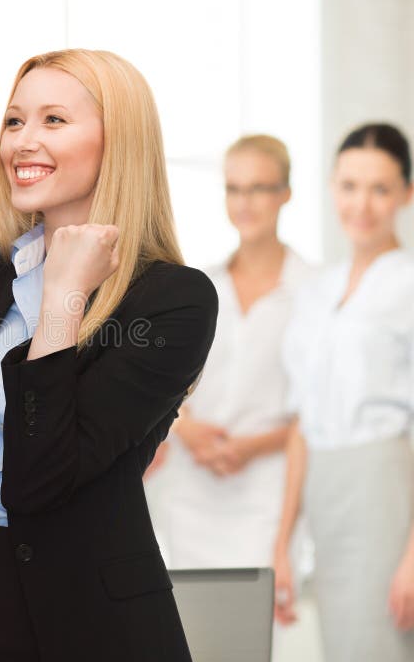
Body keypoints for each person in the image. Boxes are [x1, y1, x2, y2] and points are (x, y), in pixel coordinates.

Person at [0, 49, 218, 662]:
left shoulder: (174, 300)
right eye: (14, 121)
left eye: (54, 120)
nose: (23, 141)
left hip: (83, 618)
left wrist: (64, 298)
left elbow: (39, 480)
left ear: (119, 142)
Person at [274, 123, 414, 661]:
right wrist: (284, 540)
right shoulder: (317, 293)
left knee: (381, 645)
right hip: (324, 498)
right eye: (350, 186)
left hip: (386, 494)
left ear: (405, 193)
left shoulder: (406, 285)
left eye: (380, 189)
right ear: (332, 187)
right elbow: (300, 424)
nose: (363, 204)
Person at [156, 135, 311, 569]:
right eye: (234, 188)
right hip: (191, 490)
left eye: (259, 188)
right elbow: (167, 384)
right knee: (191, 632)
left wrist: (254, 446)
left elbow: (316, 408)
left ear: (285, 194)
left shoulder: (312, 291)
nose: (245, 202)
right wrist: (186, 429)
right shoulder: (198, 287)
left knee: (259, 629)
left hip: (267, 493)